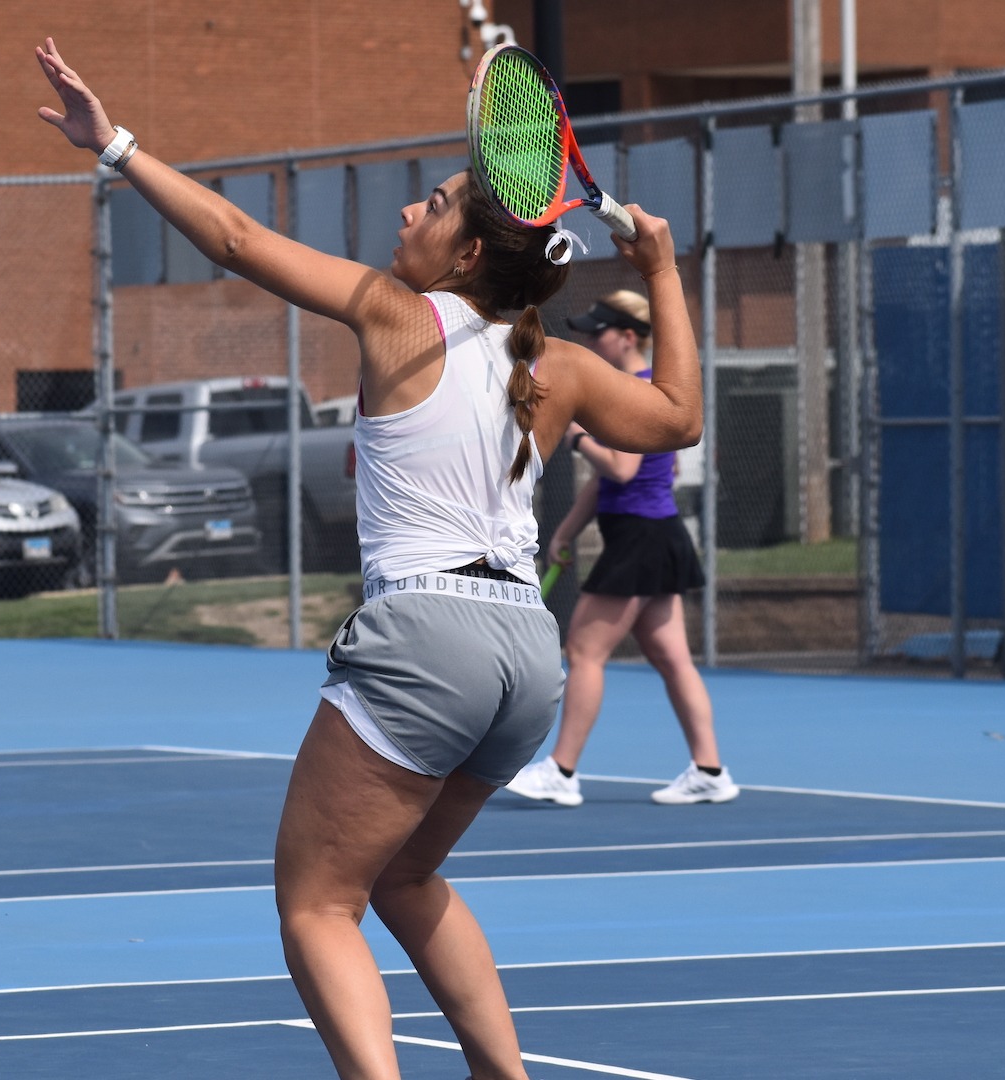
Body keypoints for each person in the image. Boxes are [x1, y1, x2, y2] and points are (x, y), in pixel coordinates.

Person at [37, 38, 699, 1080]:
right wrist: (663, 274)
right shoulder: (558, 365)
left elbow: (236, 237)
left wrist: (113, 144)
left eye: (433, 205)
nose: (408, 213)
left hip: (427, 637)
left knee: (315, 902)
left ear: (470, 255)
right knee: (406, 879)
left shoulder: (399, 317)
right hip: (525, 650)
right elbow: (678, 418)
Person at [505, 291, 735, 810]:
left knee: (585, 652)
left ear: (627, 337)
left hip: (640, 539)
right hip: (656, 532)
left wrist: (578, 436)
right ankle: (709, 769)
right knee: (673, 658)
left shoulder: (635, 389)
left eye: (599, 331)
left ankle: (561, 771)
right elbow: (640, 475)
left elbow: (624, 469)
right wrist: (565, 529)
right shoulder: (649, 390)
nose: (589, 340)